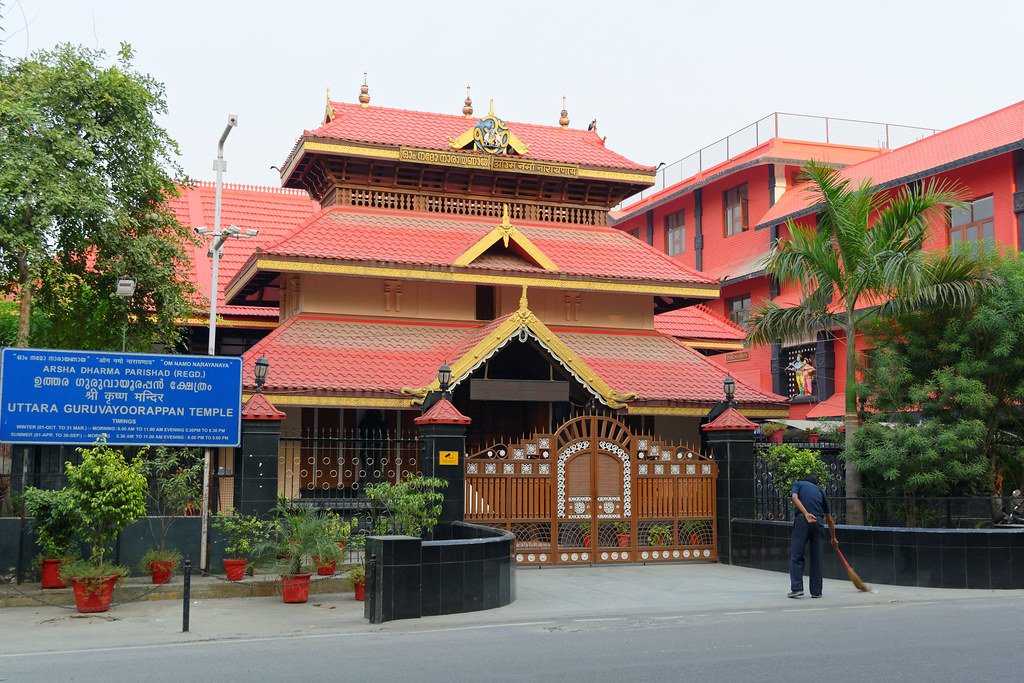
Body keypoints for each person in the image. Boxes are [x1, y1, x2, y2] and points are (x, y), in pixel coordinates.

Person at [789, 472, 838, 598]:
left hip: (802, 521)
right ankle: (816, 592)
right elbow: (829, 518)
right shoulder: (820, 491)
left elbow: (794, 498)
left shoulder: (798, 484)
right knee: (817, 558)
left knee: (797, 555)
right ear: (817, 483)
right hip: (818, 523)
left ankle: (797, 588)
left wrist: (805, 513)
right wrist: (833, 537)